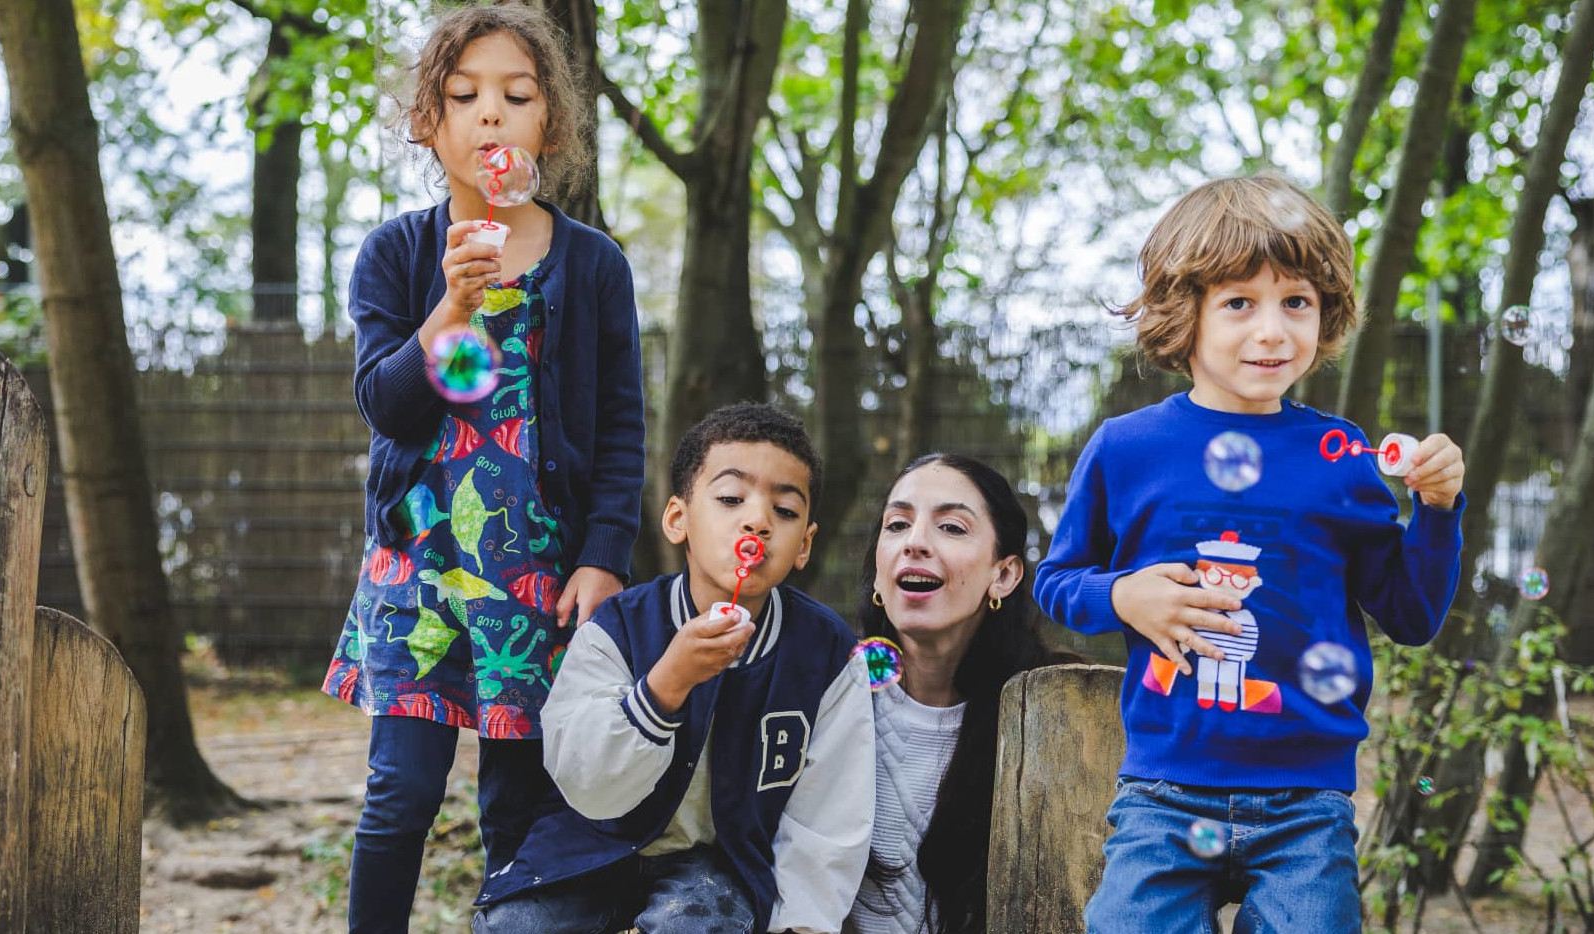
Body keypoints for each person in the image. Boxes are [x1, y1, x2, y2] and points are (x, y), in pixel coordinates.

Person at [1032, 174, 1467, 933]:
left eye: (1295, 301)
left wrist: (1436, 511)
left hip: (1307, 804)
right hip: (1164, 791)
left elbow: (1412, 613)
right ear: (1184, 314)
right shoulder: (1125, 450)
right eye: (1239, 302)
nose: (1272, 330)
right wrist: (1124, 596)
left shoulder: (1343, 456)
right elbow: (1058, 581)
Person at [316, 4, 645, 930]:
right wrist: (450, 307)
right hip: (417, 568)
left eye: (517, 95)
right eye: (464, 96)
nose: (490, 115)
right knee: (401, 795)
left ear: (550, 124)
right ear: (432, 123)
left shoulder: (593, 266)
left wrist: (605, 553)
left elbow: (623, 426)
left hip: (537, 574)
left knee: (518, 805)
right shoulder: (396, 254)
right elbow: (387, 405)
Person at [472, 403, 874, 934]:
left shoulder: (826, 654)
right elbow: (584, 779)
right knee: (515, 926)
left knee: (704, 922)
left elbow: (830, 815)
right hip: (592, 842)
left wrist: (801, 923)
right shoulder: (617, 626)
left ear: (804, 545)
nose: (757, 520)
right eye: (731, 498)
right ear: (677, 519)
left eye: (785, 511)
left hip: (716, 862)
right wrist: (666, 685)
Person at [847, 453, 1072, 934]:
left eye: (951, 527)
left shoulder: (1059, 711)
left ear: (1004, 575)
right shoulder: (824, 696)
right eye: (897, 524)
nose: (916, 543)